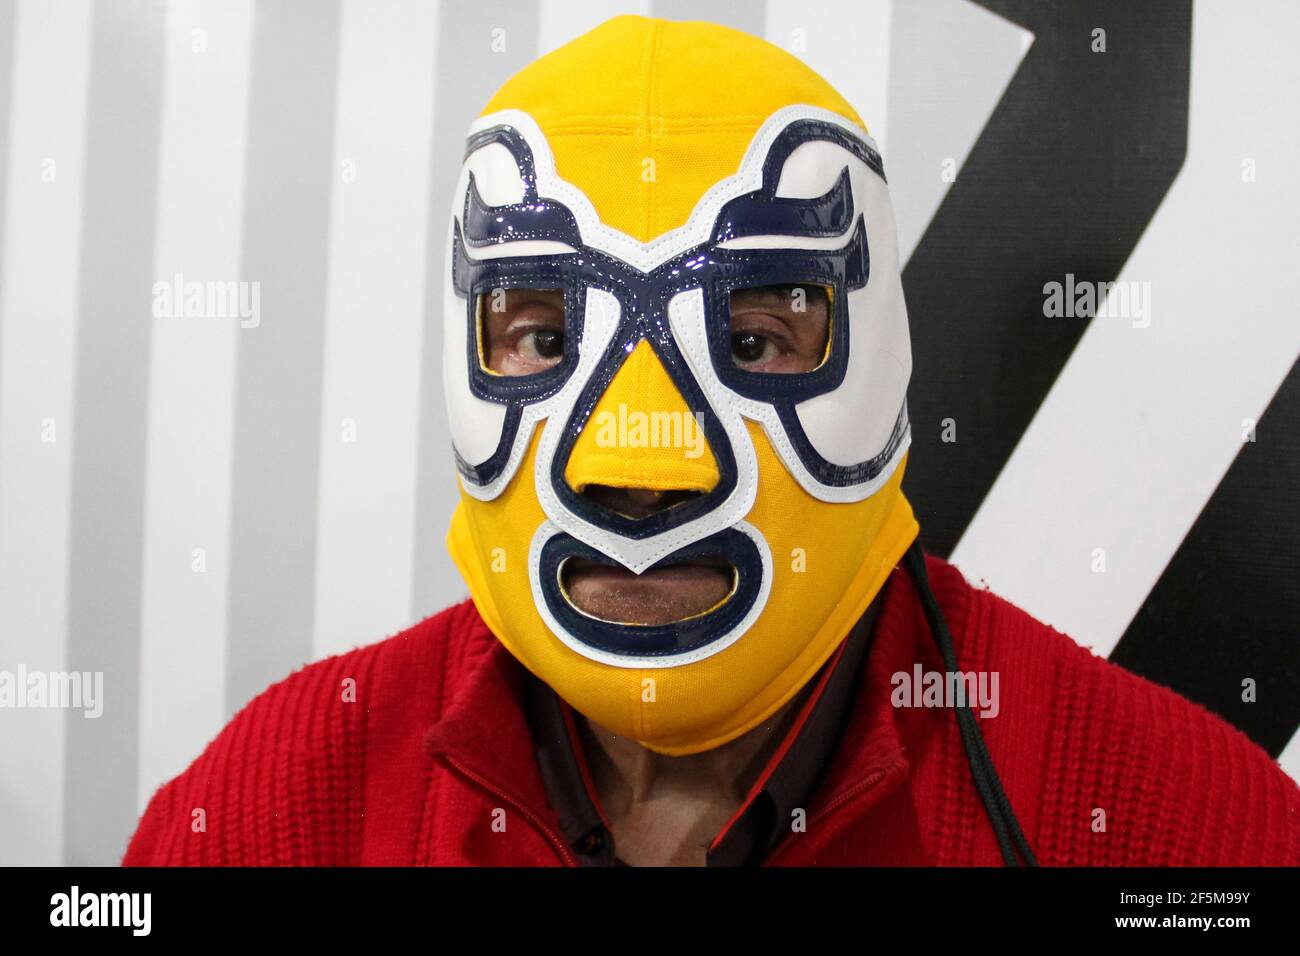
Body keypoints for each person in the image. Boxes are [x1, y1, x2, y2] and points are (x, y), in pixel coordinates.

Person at [123, 15, 1298, 867]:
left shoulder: (1185, 831)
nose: (641, 460)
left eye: (755, 337)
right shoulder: (263, 817)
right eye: (543, 337)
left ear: (885, 358)